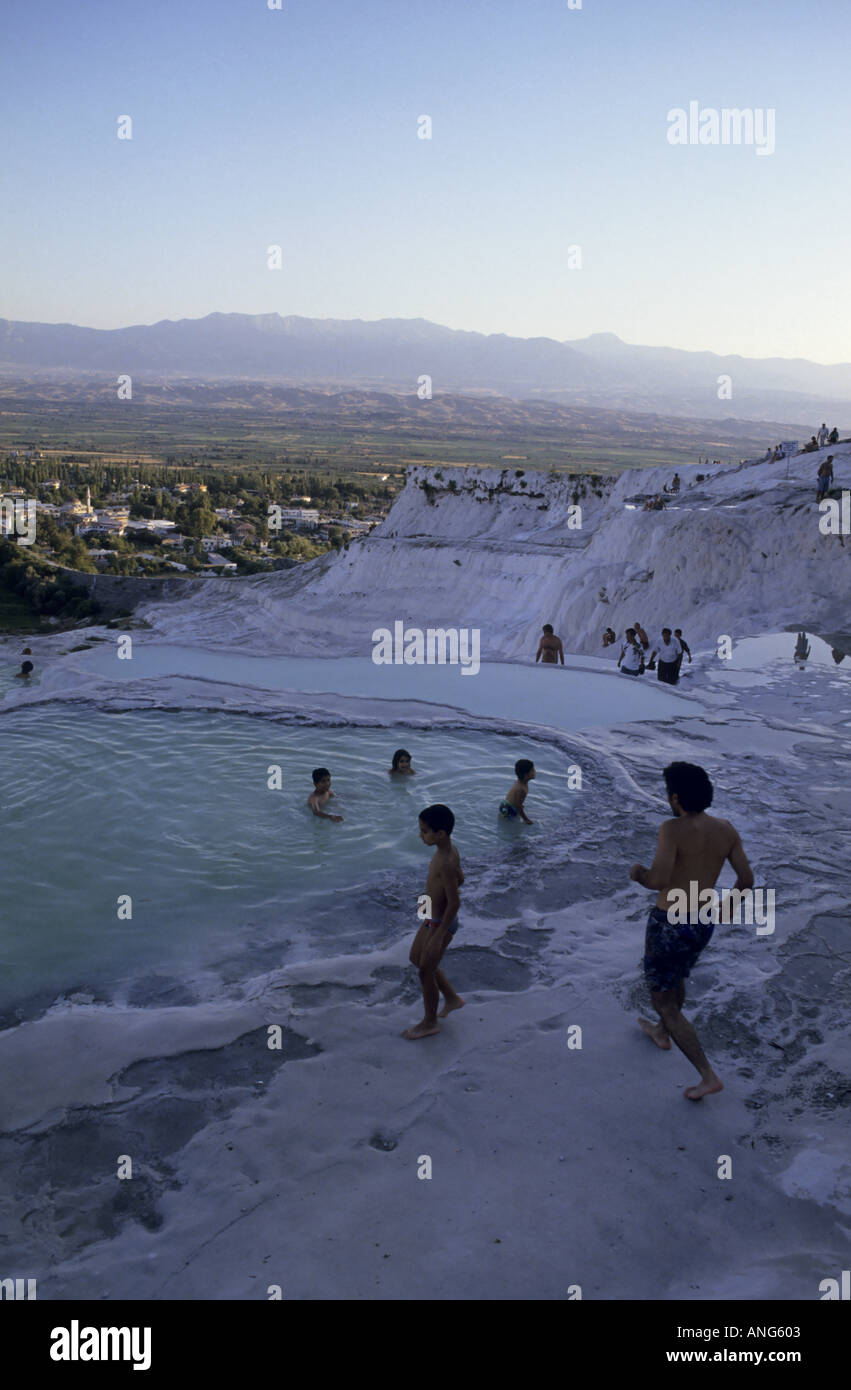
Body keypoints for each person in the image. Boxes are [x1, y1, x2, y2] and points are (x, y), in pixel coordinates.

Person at [630, 761, 754, 1100]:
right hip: (702, 920)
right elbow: (746, 881)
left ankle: (707, 1076)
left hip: (669, 921)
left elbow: (657, 880)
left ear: (675, 797)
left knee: (663, 1001)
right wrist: (721, 912)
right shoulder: (726, 829)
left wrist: (638, 872)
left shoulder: (672, 829)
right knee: (677, 976)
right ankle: (660, 1032)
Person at [403, 804, 465, 1040]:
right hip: (432, 917)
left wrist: (438, 937)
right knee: (416, 959)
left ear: (440, 833)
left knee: (425, 972)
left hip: (440, 923)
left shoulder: (446, 861)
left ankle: (430, 1022)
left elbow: (454, 903)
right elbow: (461, 878)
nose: (420, 835)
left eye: (424, 831)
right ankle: (451, 999)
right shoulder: (446, 852)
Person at [499, 759, 535, 824]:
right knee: (514, 830)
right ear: (526, 774)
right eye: (532, 770)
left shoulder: (522, 782)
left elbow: (517, 802)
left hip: (506, 805)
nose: (535, 772)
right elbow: (518, 806)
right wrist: (526, 819)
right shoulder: (521, 789)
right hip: (509, 809)